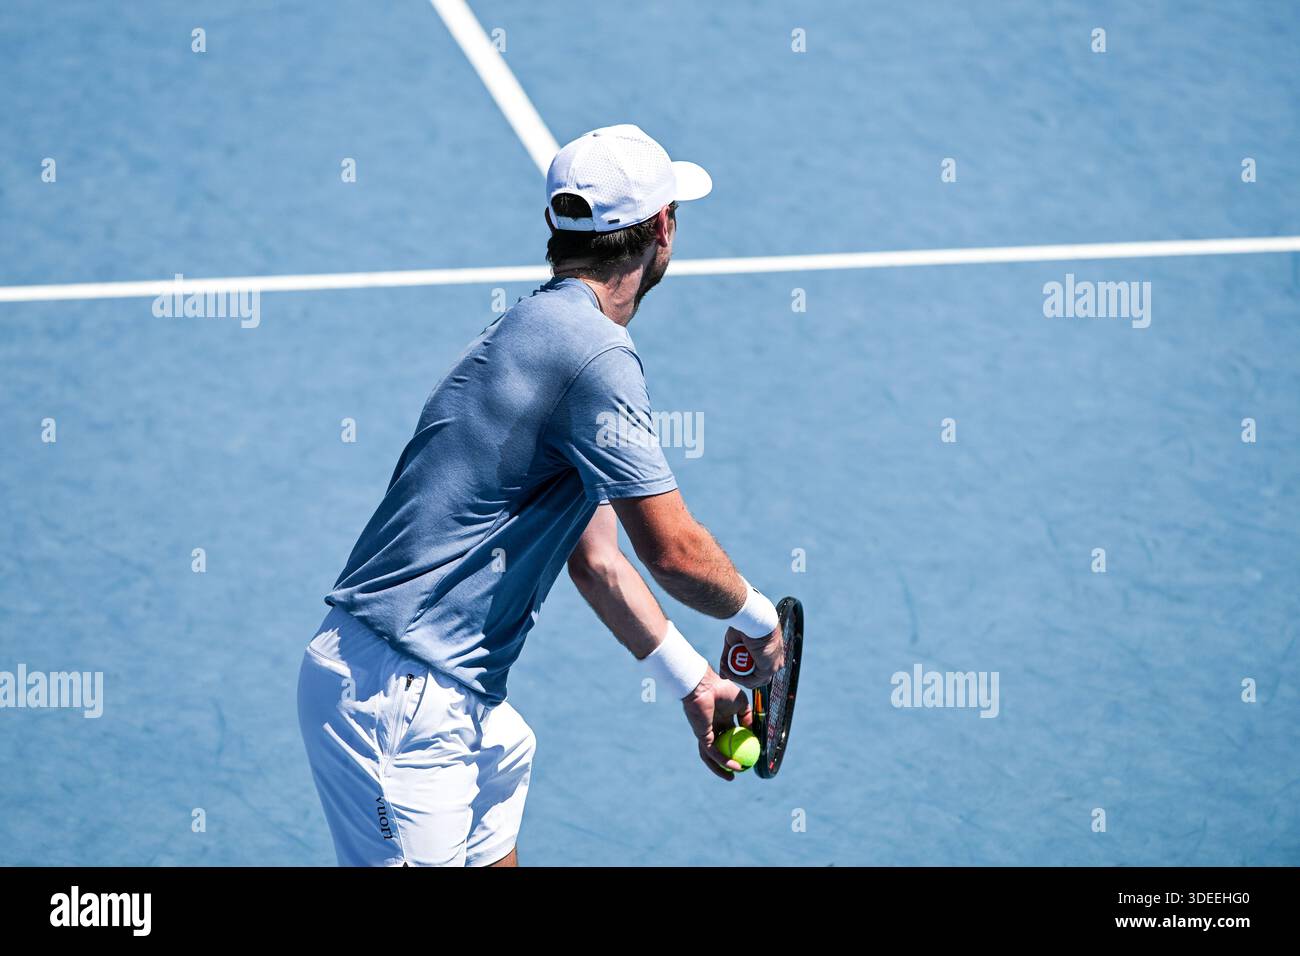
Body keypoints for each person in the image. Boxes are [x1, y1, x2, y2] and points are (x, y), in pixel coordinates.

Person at [297, 124, 785, 867]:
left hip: (444, 692)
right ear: (662, 228)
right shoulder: (596, 353)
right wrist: (760, 621)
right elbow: (674, 553)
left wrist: (692, 682)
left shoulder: (532, 328)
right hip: (401, 696)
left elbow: (599, 561)